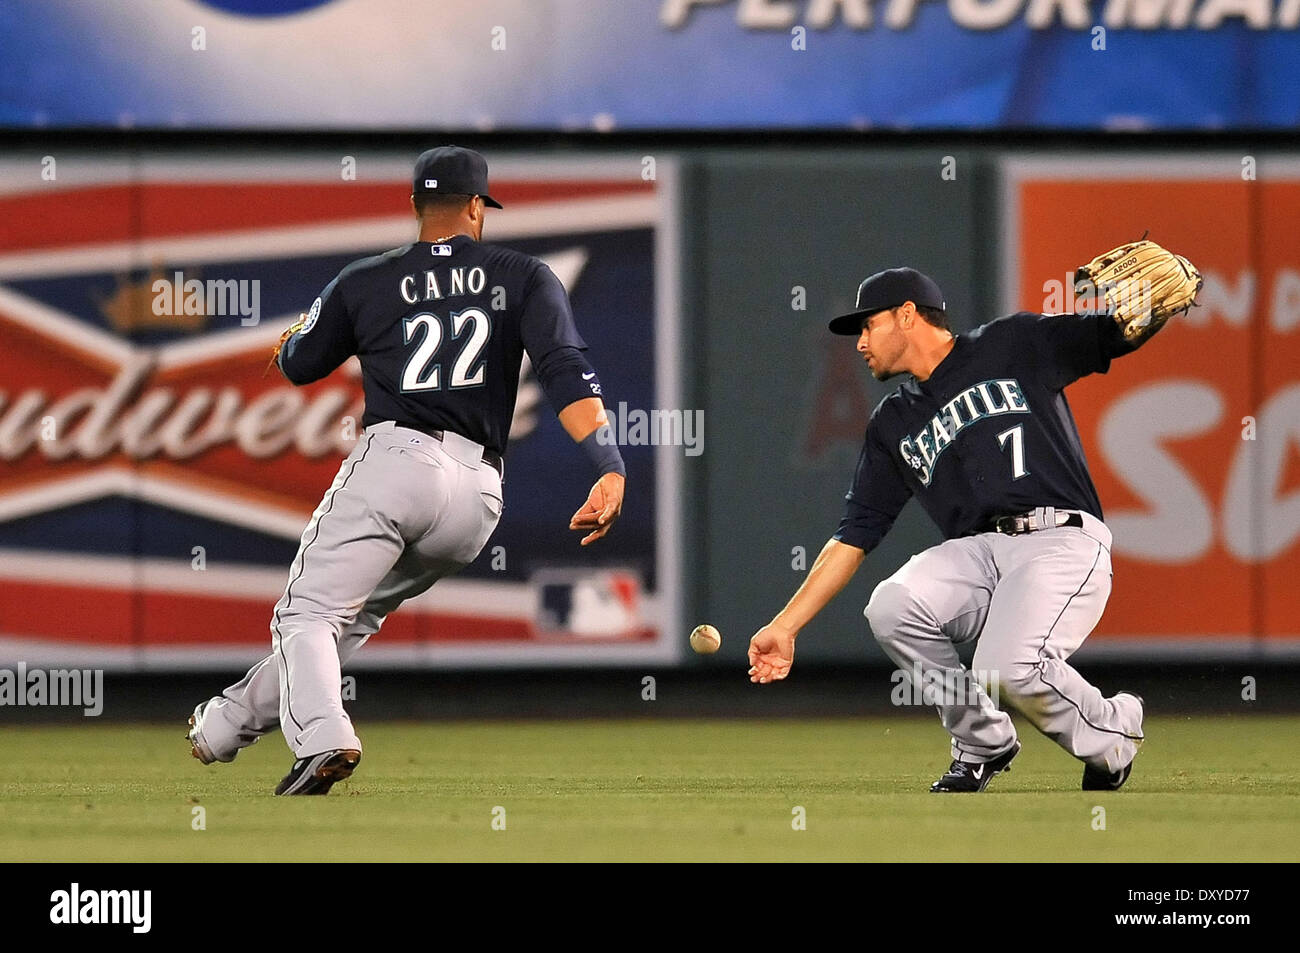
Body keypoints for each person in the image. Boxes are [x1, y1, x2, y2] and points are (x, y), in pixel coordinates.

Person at [187, 146, 626, 794]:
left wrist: (287, 345)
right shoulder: (526, 275)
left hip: (398, 462)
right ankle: (223, 726)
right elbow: (564, 371)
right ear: (477, 206)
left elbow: (301, 361)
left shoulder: (367, 278)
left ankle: (324, 739)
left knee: (305, 614)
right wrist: (608, 465)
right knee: (348, 620)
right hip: (477, 496)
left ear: (416, 205)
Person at [747, 267, 1146, 792]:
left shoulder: (1011, 344)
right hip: (981, 554)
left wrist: (1146, 310)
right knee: (892, 606)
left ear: (907, 314)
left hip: (1062, 540)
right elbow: (855, 534)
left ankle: (1114, 732)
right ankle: (982, 739)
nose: (860, 343)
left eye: (868, 326)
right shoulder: (894, 421)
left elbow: (1109, 335)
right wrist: (786, 625)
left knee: (1003, 668)